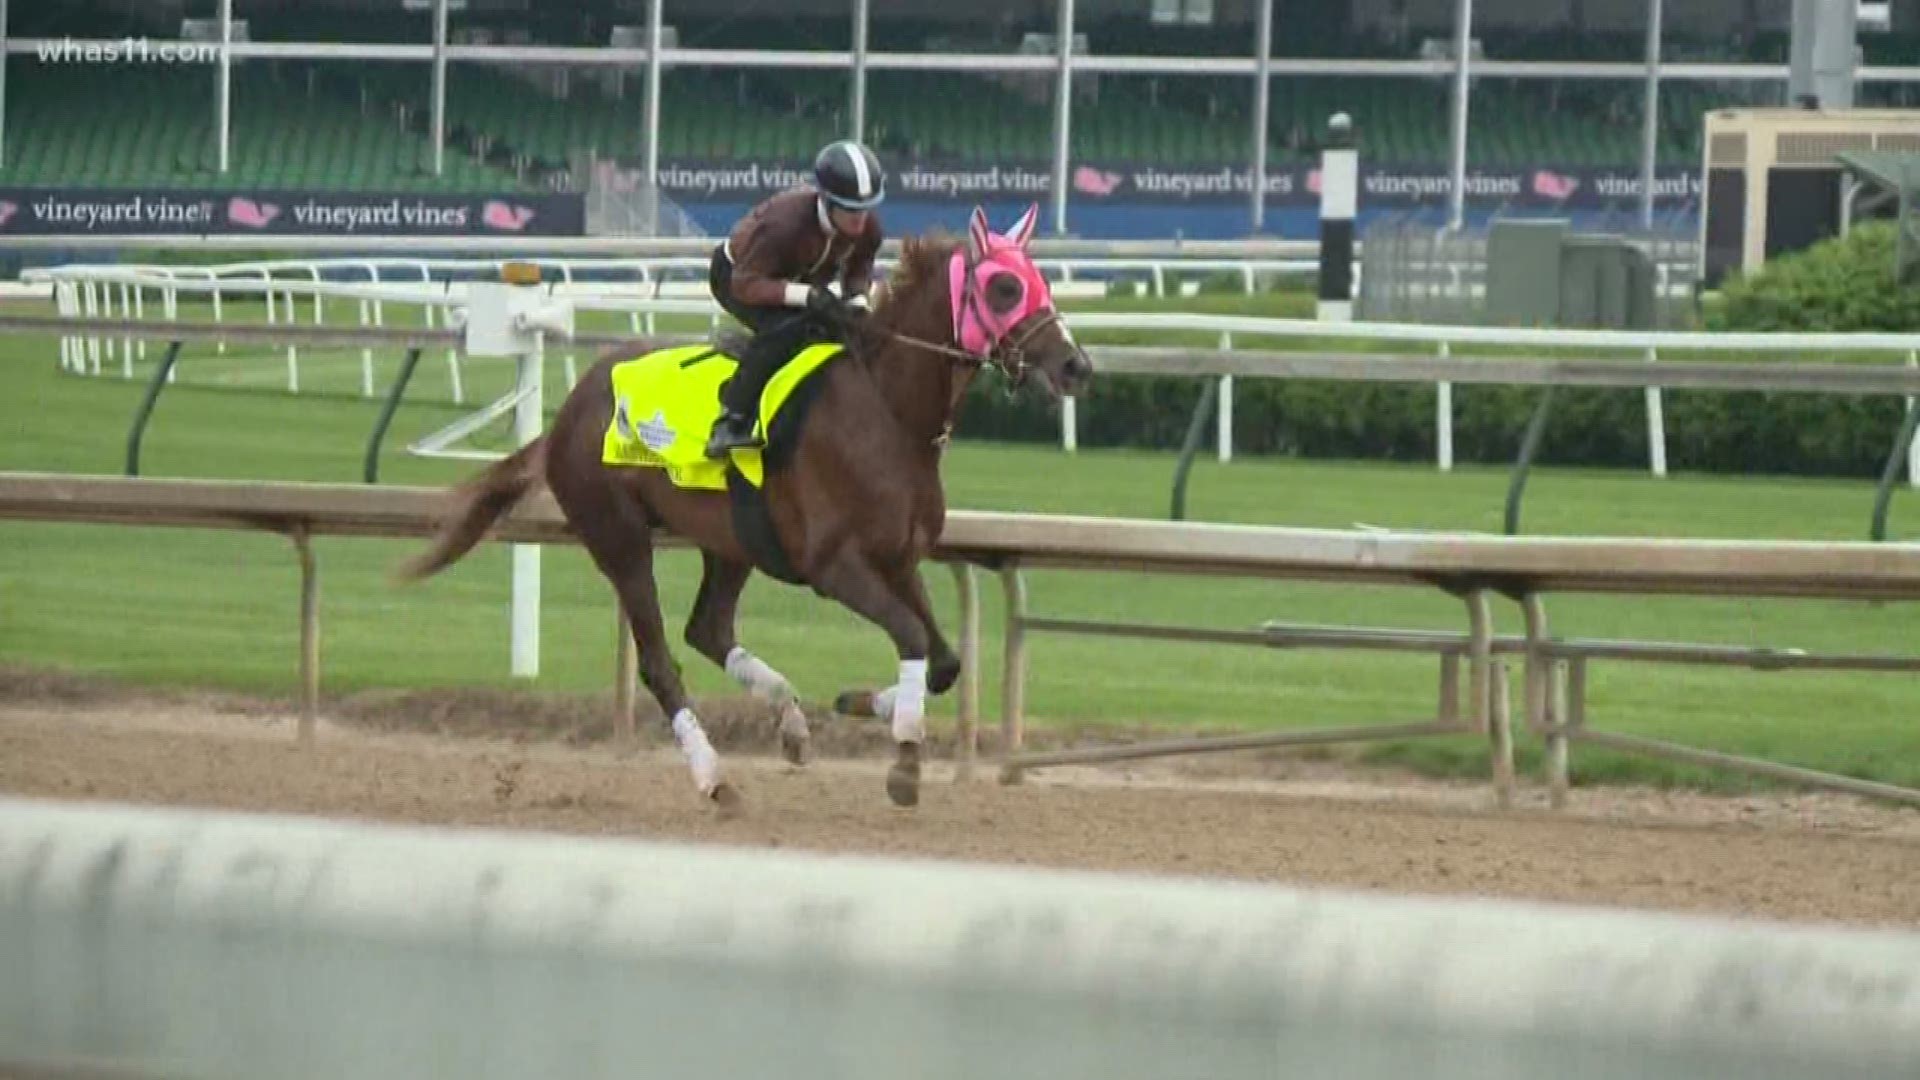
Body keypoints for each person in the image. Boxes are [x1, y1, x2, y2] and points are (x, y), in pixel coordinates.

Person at [703, 139, 887, 458]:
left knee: (847, 332)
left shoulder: (868, 228)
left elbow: (860, 267)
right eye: (850, 209)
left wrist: (858, 302)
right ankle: (730, 421)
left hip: (796, 280)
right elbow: (745, 284)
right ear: (827, 201)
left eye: (866, 208)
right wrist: (806, 295)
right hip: (737, 275)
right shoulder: (784, 225)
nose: (860, 219)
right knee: (787, 328)